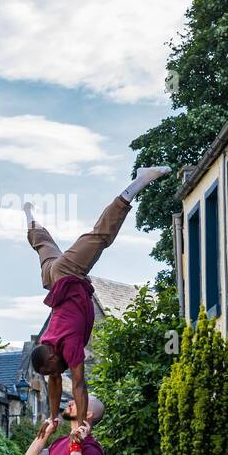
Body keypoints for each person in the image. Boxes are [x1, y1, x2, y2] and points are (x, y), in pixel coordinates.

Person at [24, 166, 169, 436]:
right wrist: (53, 417)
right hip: (52, 279)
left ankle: (138, 183)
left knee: (101, 237)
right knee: (43, 246)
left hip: (68, 273)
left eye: (51, 369)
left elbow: (79, 385)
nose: (55, 374)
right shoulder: (49, 347)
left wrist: (82, 425)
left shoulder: (67, 345)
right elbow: (56, 380)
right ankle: (31, 216)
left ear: (53, 356)